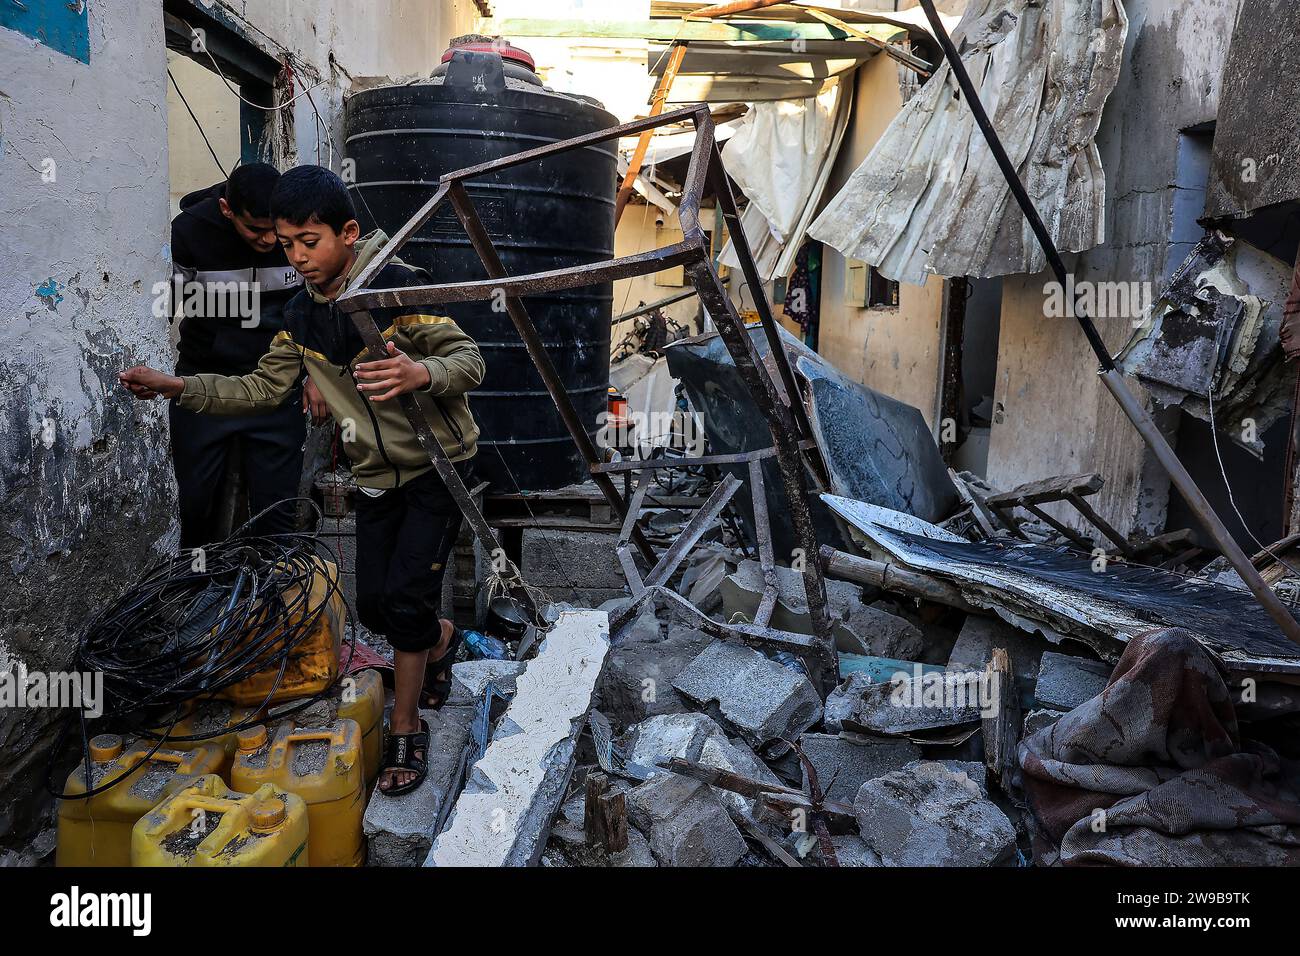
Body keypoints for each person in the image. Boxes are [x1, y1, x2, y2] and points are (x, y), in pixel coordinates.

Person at [123, 165, 485, 795]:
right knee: (374, 604)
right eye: (287, 244)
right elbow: (262, 386)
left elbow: (469, 360)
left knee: (402, 600)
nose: (296, 256)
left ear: (347, 233)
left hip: (437, 465)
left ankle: (406, 723)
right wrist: (178, 387)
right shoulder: (300, 315)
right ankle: (441, 639)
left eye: (308, 242)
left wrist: (417, 375)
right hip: (375, 473)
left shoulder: (395, 289)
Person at [169, 163, 322, 547]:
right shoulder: (188, 233)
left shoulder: (296, 229)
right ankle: (197, 592)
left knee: (278, 510)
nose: (271, 240)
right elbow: (168, 303)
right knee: (194, 506)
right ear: (226, 210)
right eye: (257, 229)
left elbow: (316, 305)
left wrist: (317, 374)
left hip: (277, 386)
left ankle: (276, 592)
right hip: (206, 381)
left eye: (277, 229)